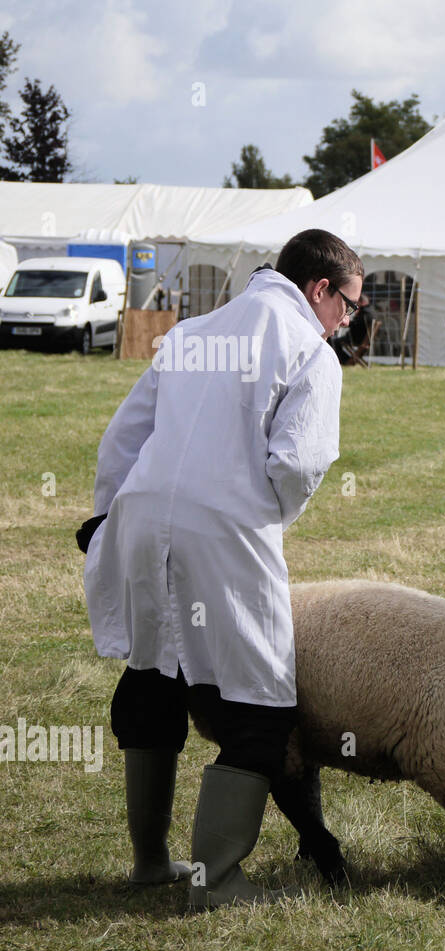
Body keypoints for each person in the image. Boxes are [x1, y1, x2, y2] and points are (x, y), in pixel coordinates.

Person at [79, 228, 361, 909]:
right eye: (349, 304)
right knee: (261, 705)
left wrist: (104, 517)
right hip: (224, 529)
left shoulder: (194, 330)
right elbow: (297, 463)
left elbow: (125, 434)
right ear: (320, 289)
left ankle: (150, 862)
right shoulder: (310, 351)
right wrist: (258, 515)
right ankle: (217, 880)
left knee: (154, 674)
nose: (349, 320)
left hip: (142, 517)